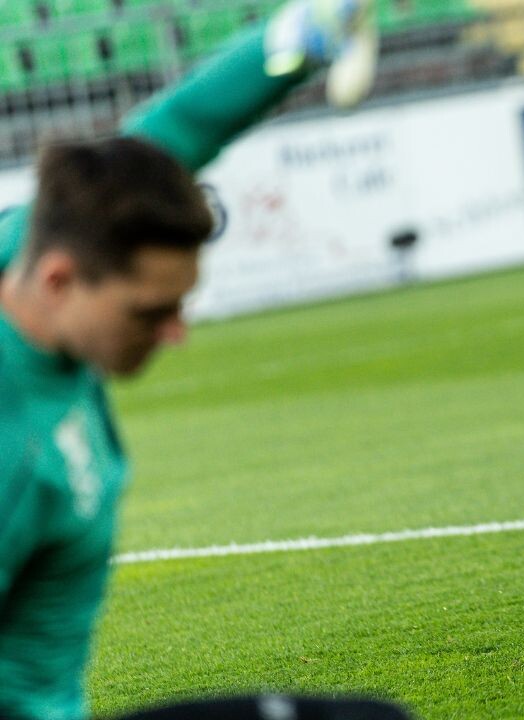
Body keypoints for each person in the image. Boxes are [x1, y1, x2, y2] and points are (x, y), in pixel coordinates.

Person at [0, 2, 378, 718]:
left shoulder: (31, 251)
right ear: (58, 281)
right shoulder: (10, 452)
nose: (176, 334)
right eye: (149, 312)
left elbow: (172, 133)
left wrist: (296, 38)